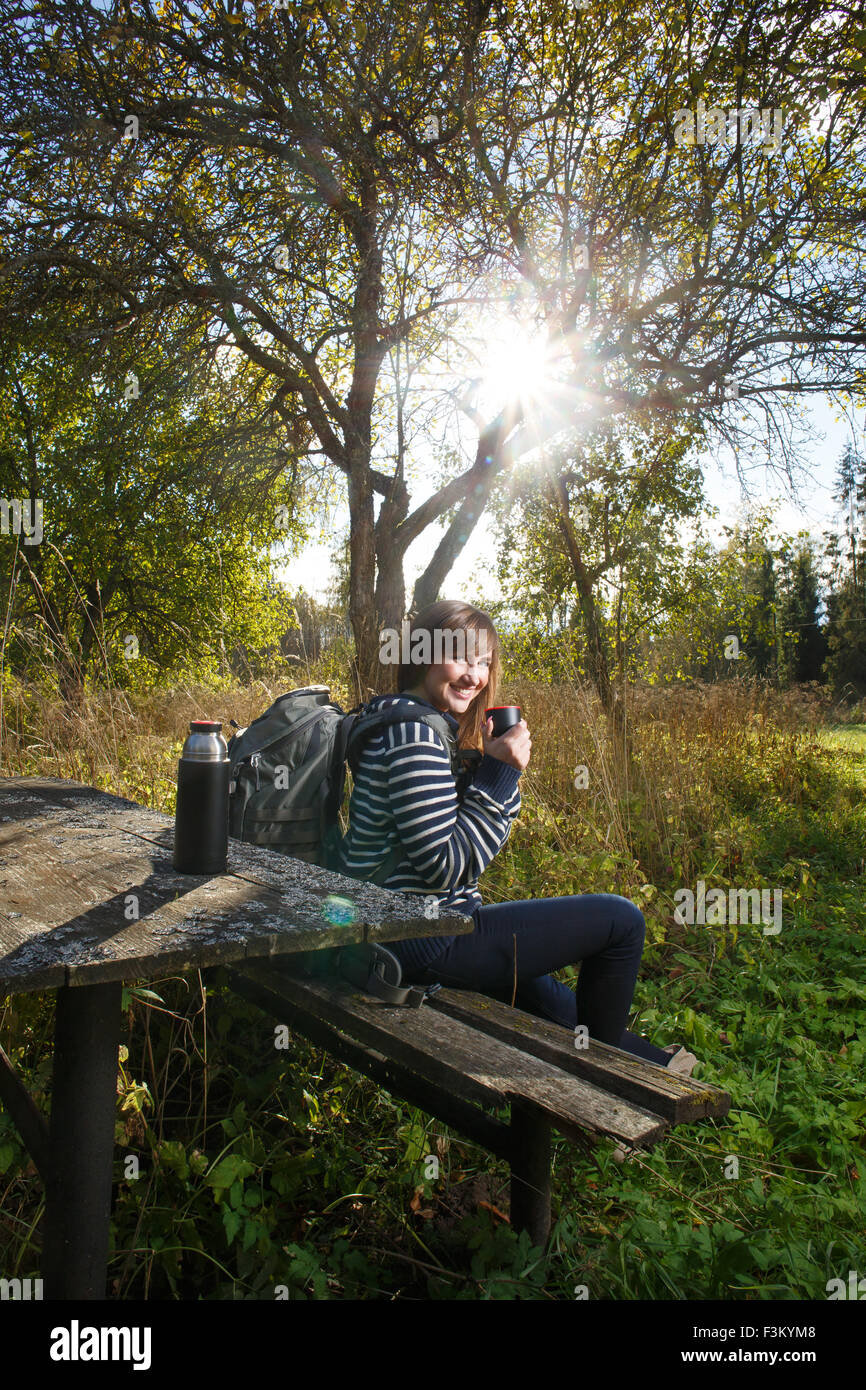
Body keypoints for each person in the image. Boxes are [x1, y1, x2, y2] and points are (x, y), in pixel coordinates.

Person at [338, 598, 696, 1075]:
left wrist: (494, 777)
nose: (474, 676)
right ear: (421, 654)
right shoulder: (417, 737)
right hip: (422, 937)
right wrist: (500, 775)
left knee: (539, 990)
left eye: (483, 662)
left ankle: (652, 1065)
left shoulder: (397, 718)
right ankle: (611, 1083)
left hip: (402, 927)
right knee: (621, 921)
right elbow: (445, 865)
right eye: (462, 657)